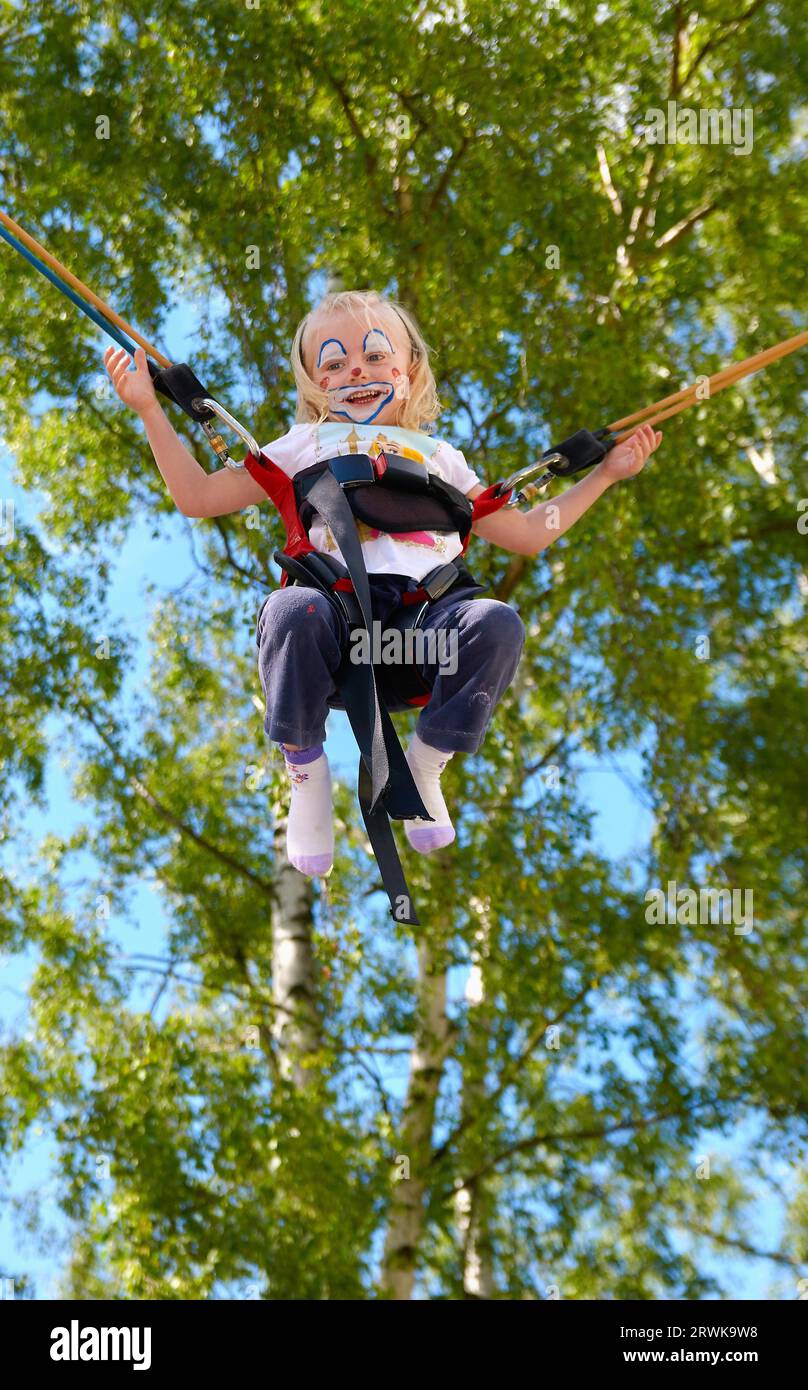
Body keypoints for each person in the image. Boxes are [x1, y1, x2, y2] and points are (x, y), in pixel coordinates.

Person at [104, 290, 661, 880]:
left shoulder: (443, 459)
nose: (355, 373)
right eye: (335, 363)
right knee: (291, 610)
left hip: (420, 634)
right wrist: (150, 410)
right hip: (336, 625)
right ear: (317, 386)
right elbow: (197, 498)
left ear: (408, 369)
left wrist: (605, 474)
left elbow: (525, 532)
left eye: (373, 357)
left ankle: (425, 762)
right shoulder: (301, 445)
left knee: (497, 623)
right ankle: (307, 771)